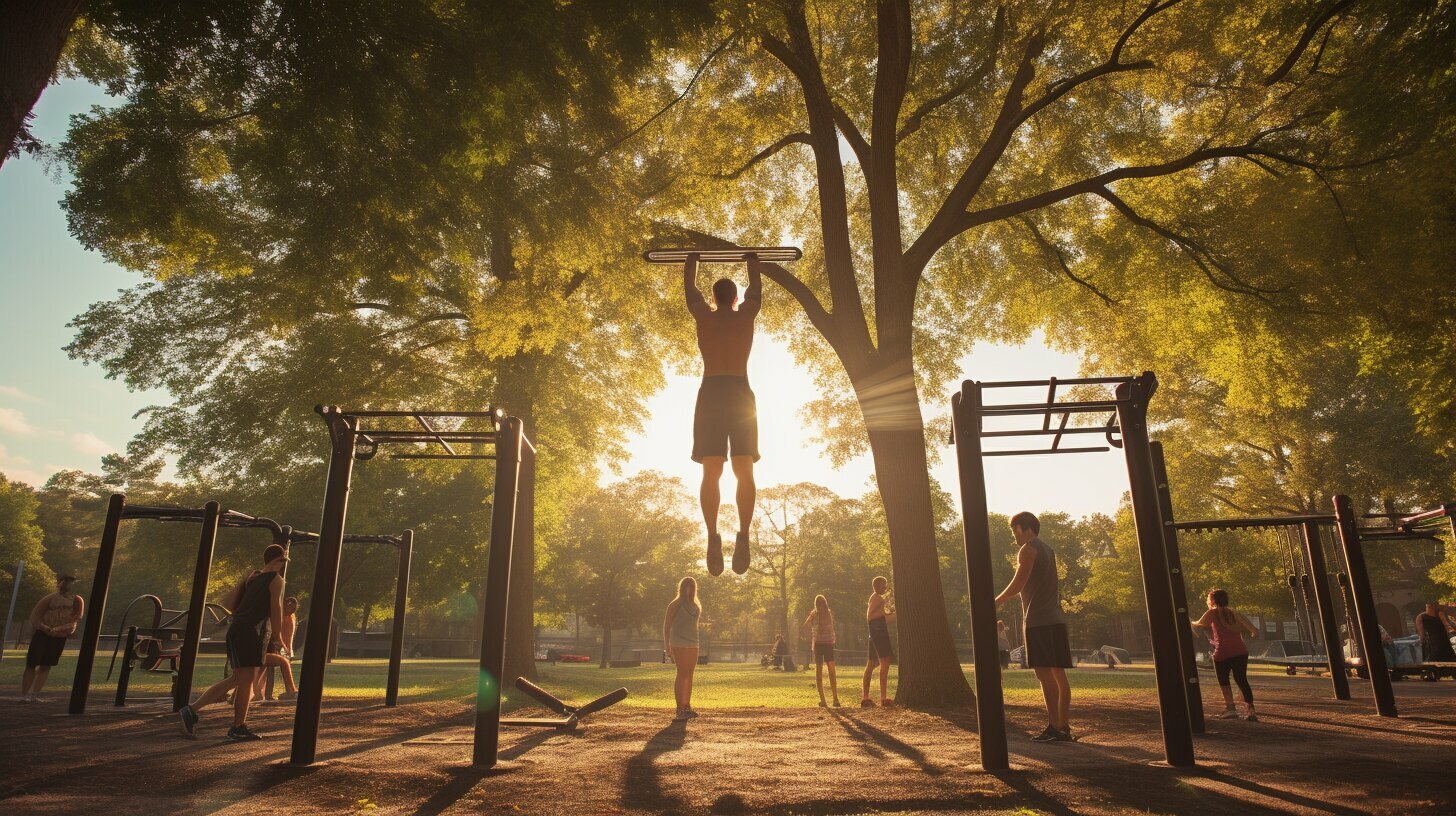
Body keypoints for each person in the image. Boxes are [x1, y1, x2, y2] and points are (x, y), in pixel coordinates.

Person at [683, 252, 762, 576]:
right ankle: (742, 534)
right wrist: (752, 261)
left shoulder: (705, 315)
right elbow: (756, 285)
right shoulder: (747, 314)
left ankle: (713, 535)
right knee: (744, 469)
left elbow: (689, 286)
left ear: (714, 297)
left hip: (712, 392)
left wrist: (692, 260)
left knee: (711, 469)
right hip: (740, 391)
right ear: (737, 297)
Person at [178, 544, 288, 740]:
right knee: (241, 680)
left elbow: (230, 604)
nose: (283, 565)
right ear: (278, 561)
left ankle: (235, 724)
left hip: (238, 630)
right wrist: (278, 637)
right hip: (250, 632)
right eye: (283, 561)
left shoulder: (253, 578)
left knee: (241, 680)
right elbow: (276, 610)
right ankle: (199, 712)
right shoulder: (276, 580)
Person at [995, 512, 1073, 742]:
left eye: (1013, 531)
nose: (1014, 537)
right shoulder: (1048, 549)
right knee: (1058, 674)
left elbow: (1019, 583)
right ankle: (1063, 726)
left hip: (1039, 621)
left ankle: (1054, 727)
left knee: (1043, 673)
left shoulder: (1028, 549)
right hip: (1056, 619)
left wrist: (996, 601)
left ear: (1021, 528)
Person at [1190, 588, 1259, 721]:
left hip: (1223, 652)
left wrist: (1189, 620)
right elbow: (1255, 631)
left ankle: (1230, 708)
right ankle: (1251, 711)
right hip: (1240, 651)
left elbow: (1200, 624)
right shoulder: (1234, 613)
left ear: (1213, 600)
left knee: (1224, 681)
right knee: (1241, 680)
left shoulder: (1212, 612)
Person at [20, 574, 84, 702]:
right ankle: (24, 695)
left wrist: (60, 629)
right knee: (31, 664)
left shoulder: (77, 600)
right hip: (42, 635)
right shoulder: (50, 598)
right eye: (64, 582)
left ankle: (33, 695)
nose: (66, 585)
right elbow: (35, 617)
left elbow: (76, 619)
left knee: (46, 665)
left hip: (59, 637)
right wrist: (46, 628)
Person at [664, 577, 702, 721]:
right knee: (682, 673)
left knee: (690, 674)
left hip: (693, 642)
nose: (690, 589)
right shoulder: (675, 604)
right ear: (682, 587)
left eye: (692, 586)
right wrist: (667, 645)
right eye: (687, 586)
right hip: (678, 642)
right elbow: (667, 626)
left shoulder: (695, 604)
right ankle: (680, 708)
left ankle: (687, 706)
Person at [860, 576, 896, 707]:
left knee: (872, 663)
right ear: (877, 586)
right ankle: (883, 698)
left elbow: (884, 618)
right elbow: (870, 617)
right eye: (883, 585)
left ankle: (865, 698)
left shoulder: (876, 599)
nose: (885, 587)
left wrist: (895, 613)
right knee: (885, 662)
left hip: (875, 633)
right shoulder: (877, 598)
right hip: (878, 633)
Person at [256, 596, 299, 702]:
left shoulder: (289, 618)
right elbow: (277, 634)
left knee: (270, 668)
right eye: (291, 609)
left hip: (271, 647)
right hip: (266, 647)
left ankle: (264, 694)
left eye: (294, 610)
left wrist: (287, 649)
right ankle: (290, 690)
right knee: (279, 664)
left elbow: (288, 635)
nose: (292, 612)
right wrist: (284, 647)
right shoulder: (275, 616)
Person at [803, 595, 840, 707]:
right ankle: (827, 700)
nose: (820, 606)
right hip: (824, 644)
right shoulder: (815, 614)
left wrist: (814, 628)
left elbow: (825, 626)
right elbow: (806, 626)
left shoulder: (824, 613)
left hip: (824, 644)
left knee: (829, 671)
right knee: (823, 671)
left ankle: (834, 699)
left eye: (821, 603)